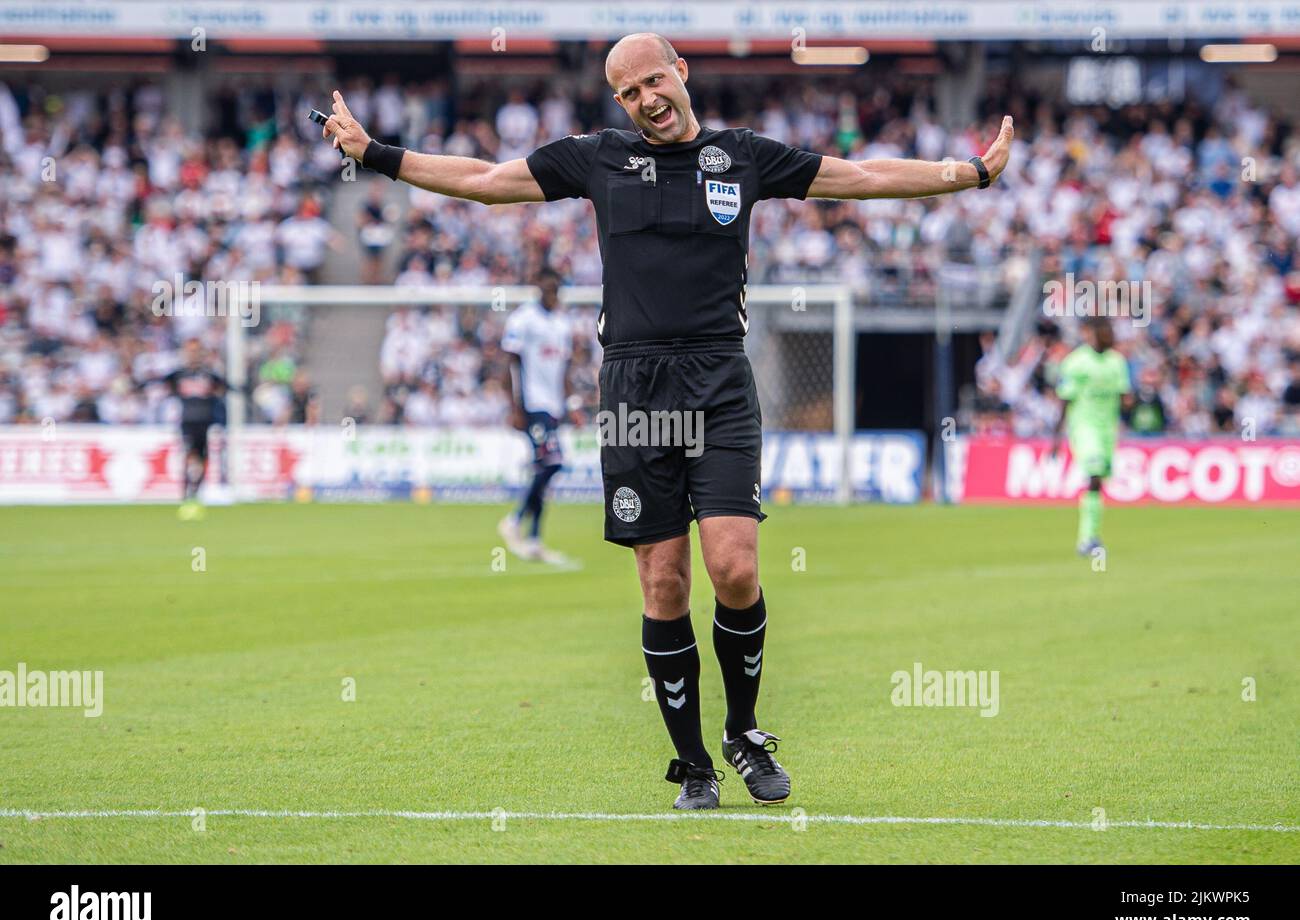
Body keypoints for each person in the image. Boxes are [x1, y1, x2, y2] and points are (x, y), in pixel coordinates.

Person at [320, 33, 1013, 810]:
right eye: (628, 93)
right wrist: (375, 152)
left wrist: (970, 173)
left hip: (719, 378)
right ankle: (693, 765)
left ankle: (744, 733)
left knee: (735, 567)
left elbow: (857, 175)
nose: (645, 100)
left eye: (653, 81)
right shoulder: (596, 158)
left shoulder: (742, 157)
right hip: (634, 386)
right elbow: (485, 180)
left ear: (680, 73)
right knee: (663, 580)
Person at [498, 268, 574, 564]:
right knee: (554, 462)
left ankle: (534, 539)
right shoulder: (523, 319)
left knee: (543, 466)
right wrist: (515, 405)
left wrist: (571, 403)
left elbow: (564, 368)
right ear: (539, 287)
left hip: (553, 406)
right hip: (533, 404)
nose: (552, 293)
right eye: (547, 287)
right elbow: (510, 362)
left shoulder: (562, 323)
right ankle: (514, 521)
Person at [1052, 317, 1132, 556]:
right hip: (1084, 427)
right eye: (1103, 331)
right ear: (1090, 333)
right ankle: (1088, 539)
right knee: (1094, 473)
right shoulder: (1076, 362)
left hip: (1108, 429)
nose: (1108, 336)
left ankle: (1091, 536)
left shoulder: (1117, 362)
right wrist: (1056, 438)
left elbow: (1123, 397)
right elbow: (1065, 400)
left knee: (1099, 481)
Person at [159, 339, 229, 521]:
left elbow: (225, 387)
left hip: (205, 422)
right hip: (187, 421)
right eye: (191, 351)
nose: (194, 354)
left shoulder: (208, 374)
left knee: (203, 458)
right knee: (189, 457)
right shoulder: (179, 374)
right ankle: (185, 493)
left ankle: (196, 492)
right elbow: (163, 384)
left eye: (197, 350)